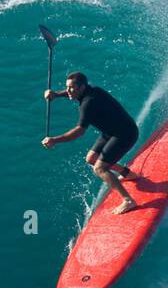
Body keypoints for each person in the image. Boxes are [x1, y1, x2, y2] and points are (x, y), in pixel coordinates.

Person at [41, 71, 140, 214]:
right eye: (67, 87)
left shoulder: (88, 103)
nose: (68, 90)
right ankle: (127, 173)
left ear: (82, 87)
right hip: (111, 132)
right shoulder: (91, 90)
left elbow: (79, 131)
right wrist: (56, 94)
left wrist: (54, 140)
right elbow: (70, 93)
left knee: (100, 168)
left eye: (71, 87)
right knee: (91, 159)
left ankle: (128, 200)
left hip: (125, 134)